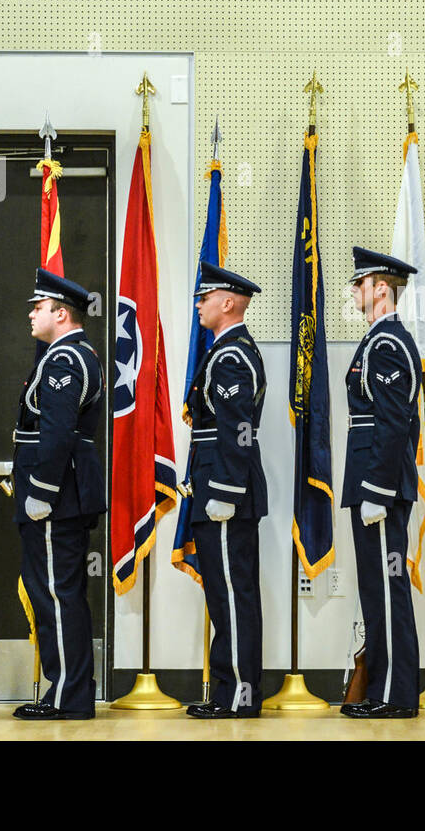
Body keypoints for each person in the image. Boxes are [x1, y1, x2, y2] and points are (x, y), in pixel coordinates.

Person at [11, 268, 105, 720]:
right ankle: (64, 687)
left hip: (57, 495)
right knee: (53, 590)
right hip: (62, 492)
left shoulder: (65, 360)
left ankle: (69, 693)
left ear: (61, 313)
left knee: (57, 592)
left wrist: (42, 490)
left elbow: (57, 432)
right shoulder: (67, 355)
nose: (31, 314)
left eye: (39, 307)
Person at [339, 247, 422, 719]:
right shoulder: (377, 342)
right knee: (376, 589)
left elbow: (393, 424)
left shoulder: (387, 344)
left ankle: (394, 695)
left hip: (380, 490)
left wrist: (378, 490)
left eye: (360, 283)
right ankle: (383, 690)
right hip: (373, 485)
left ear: (382, 290)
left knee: (388, 592)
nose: (354, 290)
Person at [184, 262, 268, 719]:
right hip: (215, 484)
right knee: (225, 593)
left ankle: (237, 692)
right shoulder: (223, 351)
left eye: (206, 297)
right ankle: (231, 689)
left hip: (224, 491)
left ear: (229, 302)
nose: (199, 304)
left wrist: (225, 491)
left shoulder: (232, 355)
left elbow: (237, 428)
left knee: (233, 594)